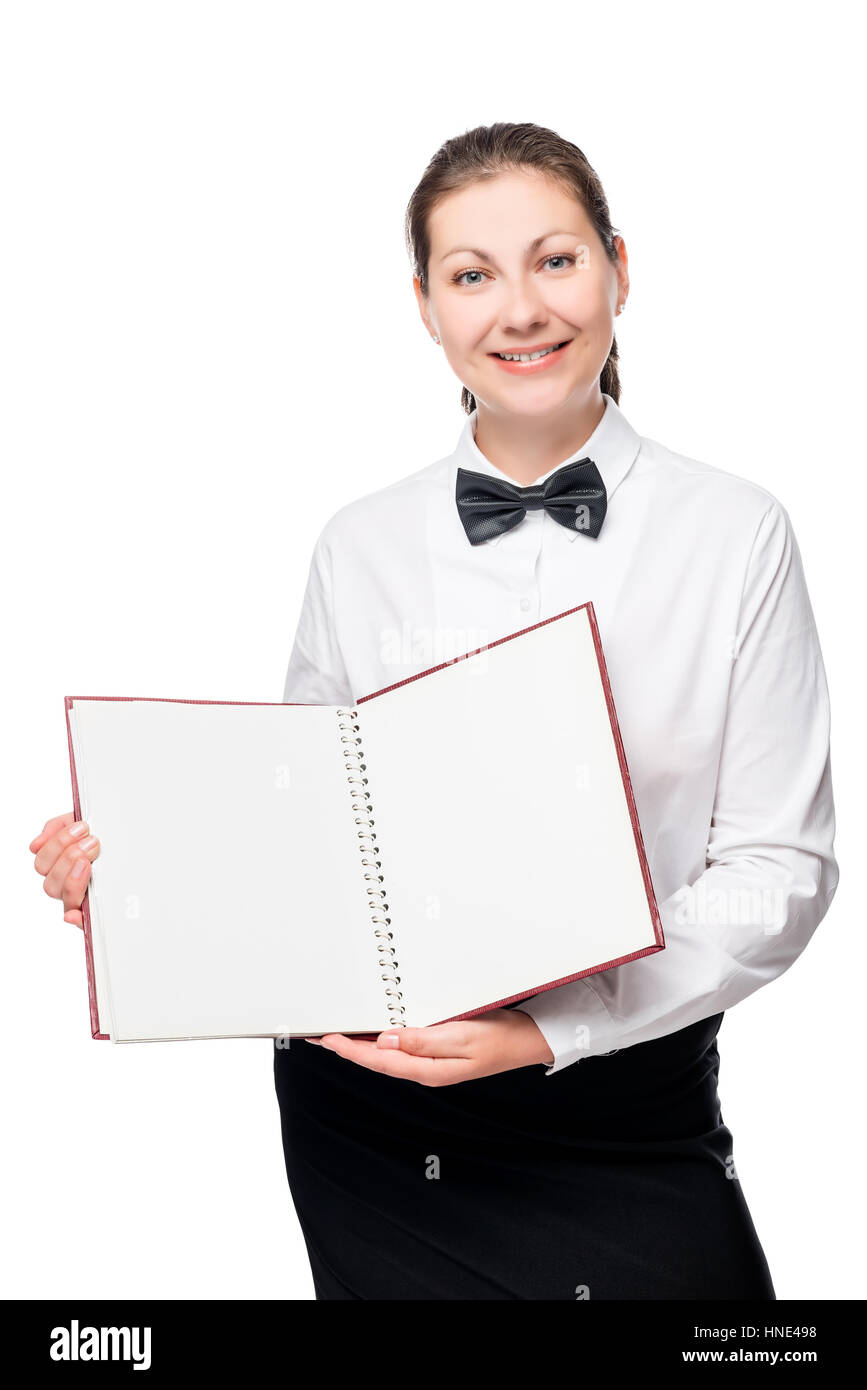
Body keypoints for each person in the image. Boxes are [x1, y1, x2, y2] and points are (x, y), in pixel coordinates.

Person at [30, 122, 838, 1301]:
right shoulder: (359, 544)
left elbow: (781, 869)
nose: (519, 309)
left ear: (620, 264)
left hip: (619, 1100)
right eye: (472, 275)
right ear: (425, 307)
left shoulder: (737, 534)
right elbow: (317, 841)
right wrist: (136, 877)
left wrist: (556, 1031)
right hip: (368, 1116)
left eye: (554, 260)